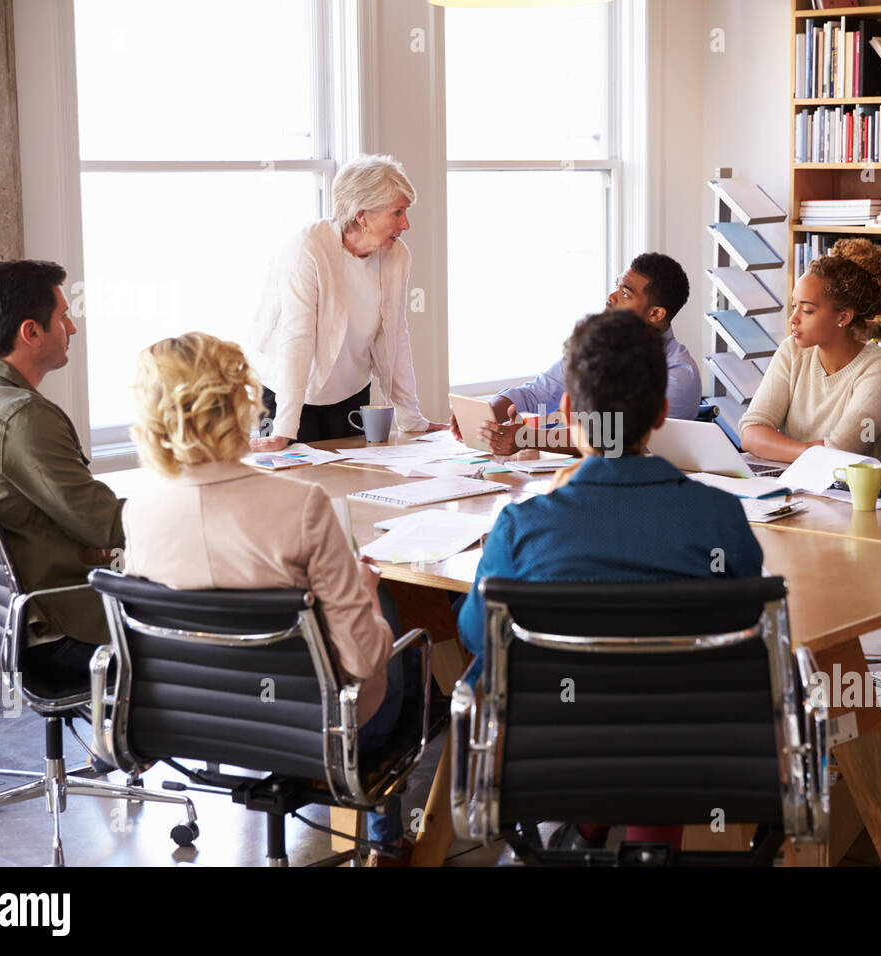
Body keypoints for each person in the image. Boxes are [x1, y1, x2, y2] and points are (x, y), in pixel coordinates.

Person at [456, 309, 764, 851]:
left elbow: (479, 637)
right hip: (691, 749)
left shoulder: (521, 527)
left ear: (569, 410)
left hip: (553, 749)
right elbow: (743, 627)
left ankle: (592, 817)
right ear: (664, 412)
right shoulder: (719, 518)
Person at [122, 332, 417, 865]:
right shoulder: (302, 505)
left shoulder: (138, 512)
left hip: (190, 721)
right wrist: (368, 596)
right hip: (310, 723)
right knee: (393, 623)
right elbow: (363, 659)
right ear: (243, 401)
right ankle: (386, 839)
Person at [0, 260, 123, 677]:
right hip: (58, 627)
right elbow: (105, 526)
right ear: (31, 332)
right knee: (210, 638)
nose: (72, 329)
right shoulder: (23, 417)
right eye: (63, 317)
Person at [251, 154, 446, 450]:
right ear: (362, 215)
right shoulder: (307, 248)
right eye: (397, 212)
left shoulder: (397, 256)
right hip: (288, 394)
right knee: (295, 486)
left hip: (350, 391)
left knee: (350, 479)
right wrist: (283, 429)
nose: (405, 224)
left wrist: (411, 417)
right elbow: (297, 337)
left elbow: (395, 336)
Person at [459, 253, 701, 457]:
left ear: (656, 313)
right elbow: (536, 393)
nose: (611, 297)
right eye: (617, 286)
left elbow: (621, 439)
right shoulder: (594, 347)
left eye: (626, 294)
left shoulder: (679, 374)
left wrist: (528, 437)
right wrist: (486, 417)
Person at [739, 238, 881, 464]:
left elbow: (842, 451)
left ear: (843, 317)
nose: (793, 318)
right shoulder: (791, 351)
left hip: (847, 494)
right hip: (787, 486)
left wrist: (777, 447)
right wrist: (812, 452)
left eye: (807, 310)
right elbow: (750, 433)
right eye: (794, 305)